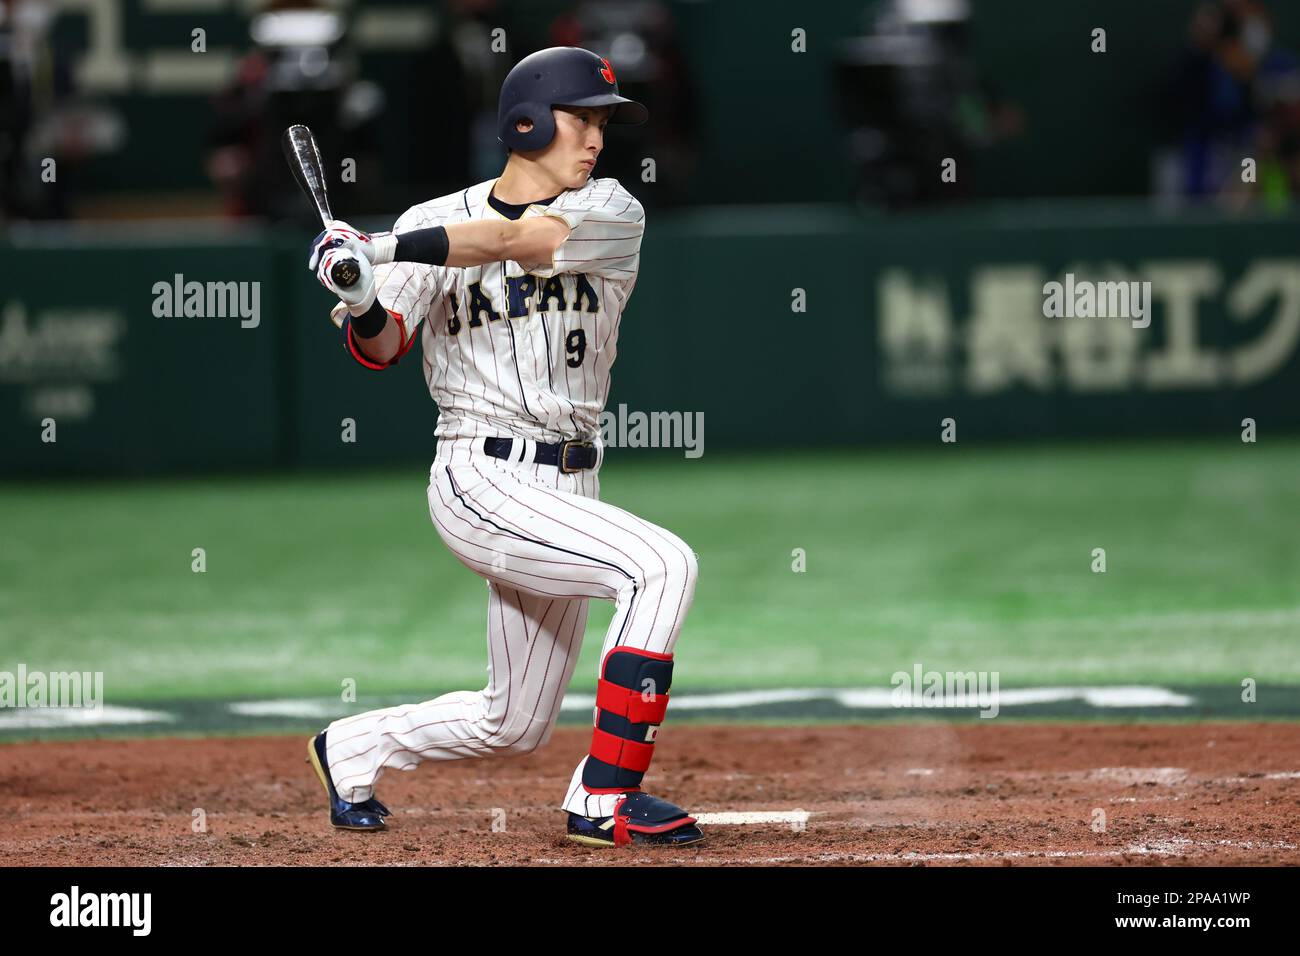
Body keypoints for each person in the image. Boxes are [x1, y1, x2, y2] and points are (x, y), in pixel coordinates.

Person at [303, 46, 703, 849]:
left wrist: (374, 250)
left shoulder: (613, 211)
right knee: (661, 567)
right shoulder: (427, 221)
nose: (595, 136)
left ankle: (352, 748)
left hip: (571, 484)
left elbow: (516, 241)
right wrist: (358, 295)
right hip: (479, 477)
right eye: (580, 117)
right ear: (526, 120)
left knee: (513, 721)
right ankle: (605, 799)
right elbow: (383, 348)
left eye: (603, 121)